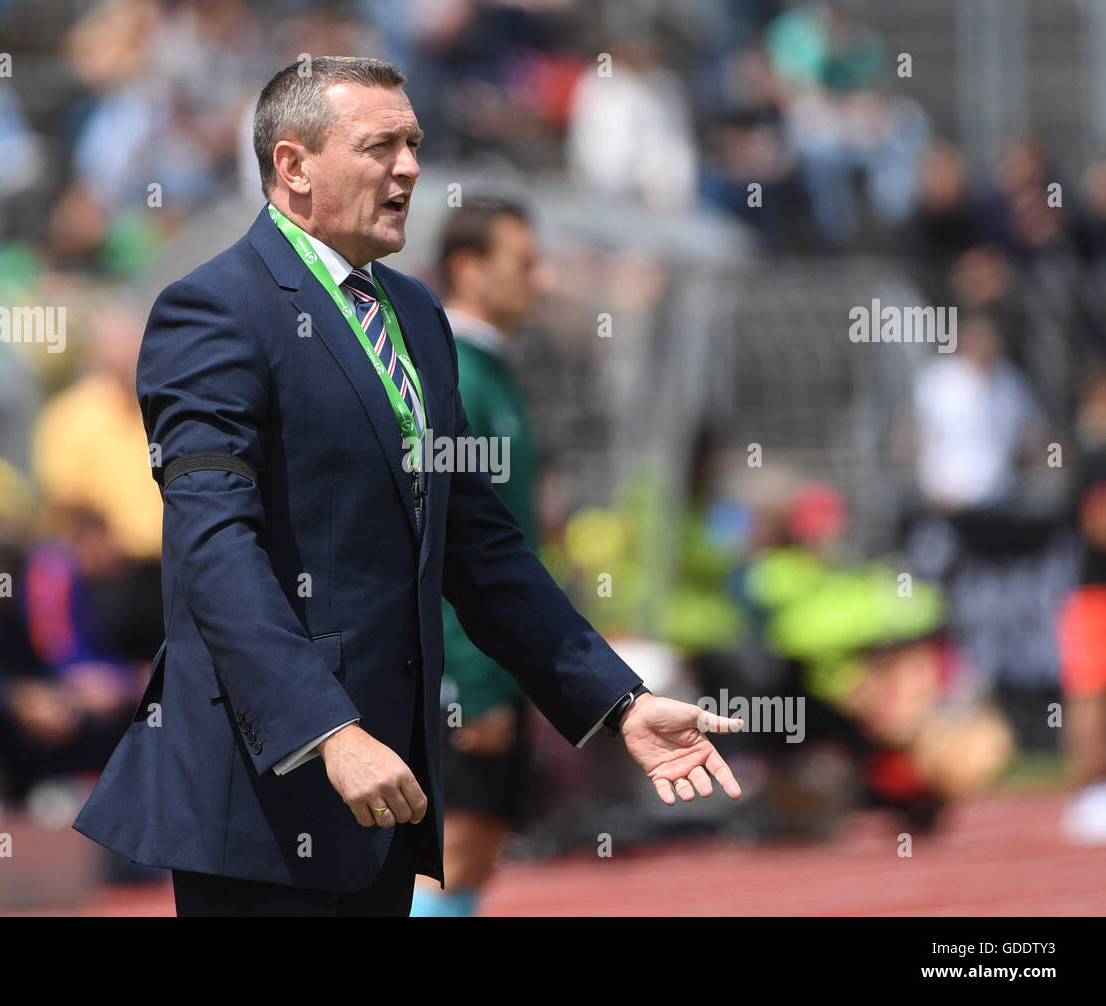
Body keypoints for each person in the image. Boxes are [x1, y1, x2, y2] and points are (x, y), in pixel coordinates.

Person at [73, 56, 743, 917]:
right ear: (294, 166)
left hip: (386, 788)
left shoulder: (417, 317)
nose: (410, 167)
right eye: (380, 145)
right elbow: (215, 550)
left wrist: (616, 701)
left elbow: (480, 545)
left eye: (415, 143)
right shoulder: (213, 310)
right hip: (264, 797)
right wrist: (325, 730)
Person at [410, 198, 545, 917]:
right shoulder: (454, 373)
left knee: (478, 845)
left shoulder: (492, 370)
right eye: (525, 264)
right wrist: (471, 680)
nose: (542, 280)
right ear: (469, 268)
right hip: (465, 669)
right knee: (451, 848)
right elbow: (436, 537)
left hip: (494, 661)